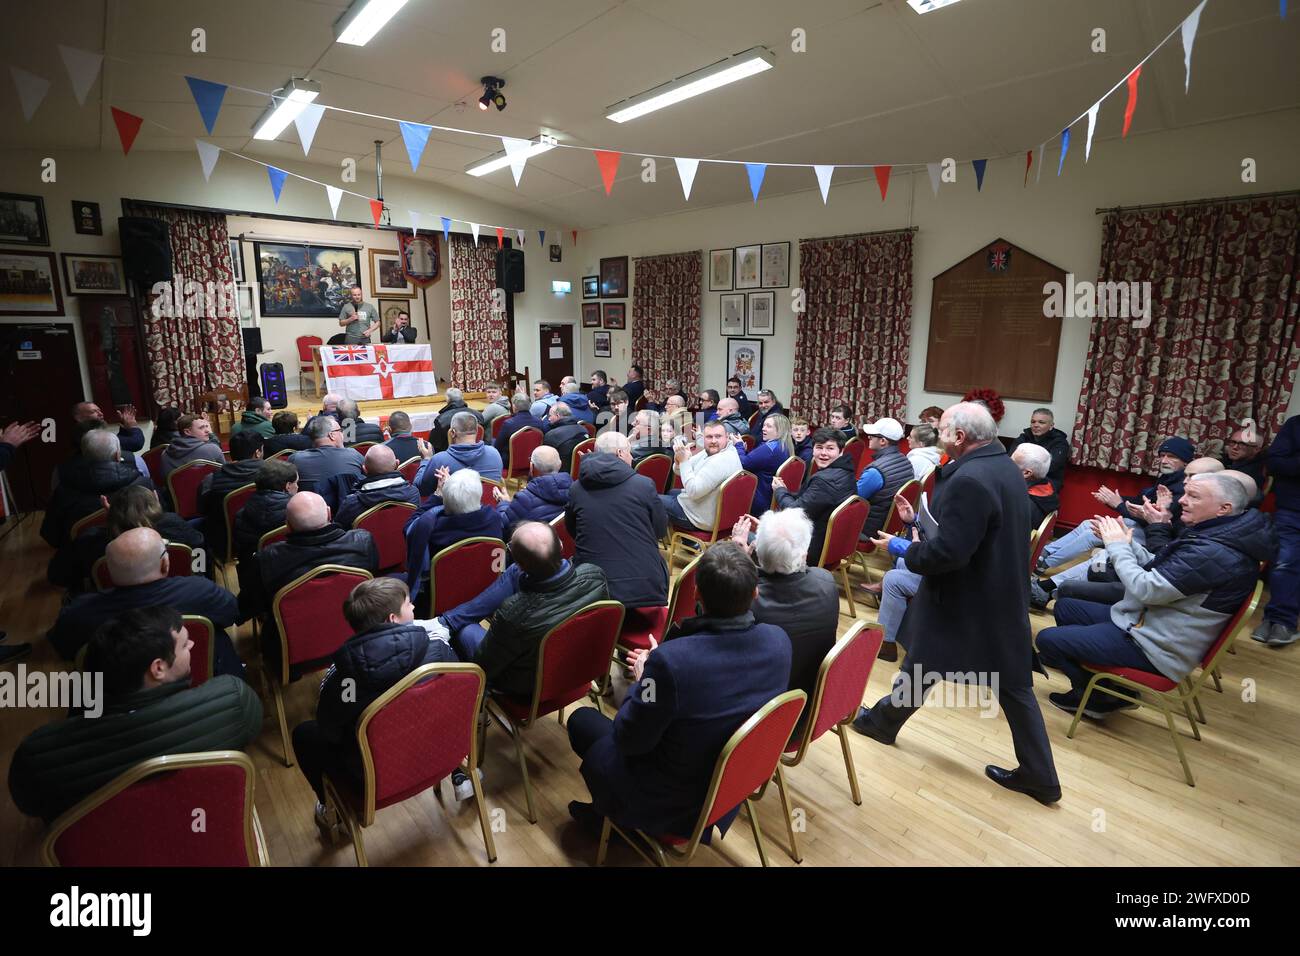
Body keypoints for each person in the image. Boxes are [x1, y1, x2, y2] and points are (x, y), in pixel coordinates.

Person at [849, 402, 1061, 804]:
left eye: (943, 428)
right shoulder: (1004, 465)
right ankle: (1041, 775)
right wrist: (922, 525)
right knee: (1010, 686)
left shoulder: (970, 479)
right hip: (1000, 592)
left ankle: (882, 722)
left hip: (967, 596)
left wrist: (899, 545)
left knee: (926, 664)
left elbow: (949, 554)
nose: (936, 431)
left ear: (959, 437)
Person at [566, 542, 791, 840]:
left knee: (582, 720)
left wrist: (645, 679)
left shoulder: (670, 664)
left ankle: (616, 818)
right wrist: (662, 668)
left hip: (672, 801)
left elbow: (629, 739)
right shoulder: (779, 641)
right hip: (730, 785)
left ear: (696, 594)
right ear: (755, 594)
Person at [1037, 474, 1274, 717]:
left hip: (1155, 646)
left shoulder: (1215, 552)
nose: (1181, 500)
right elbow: (1161, 567)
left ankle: (1099, 698)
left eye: (1193, 496)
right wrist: (1126, 543)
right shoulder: (1219, 534)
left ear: (1224, 508)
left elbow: (1145, 589)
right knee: (1067, 607)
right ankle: (1100, 680)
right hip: (1152, 623)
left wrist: (1118, 546)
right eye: (1185, 493)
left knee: (1047, 639)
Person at [8, 606, 262, 824]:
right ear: (158, 668)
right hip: (201, 827)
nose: (193, 644)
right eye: (185, 644)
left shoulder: (35, 760)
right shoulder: (233, 700)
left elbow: (30, 805)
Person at [293, 578, 459, 831]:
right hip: (440, 752)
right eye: (408, 604)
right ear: (393, 618)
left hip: (375, 777)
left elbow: (331, 732)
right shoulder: (438, 652)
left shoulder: (343, 682)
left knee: (305, 735)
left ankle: (333, 814)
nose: (414, 607)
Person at [48, 528, 243, 674]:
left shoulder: (78, 613)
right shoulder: (201, 590)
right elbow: (233, 613)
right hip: (201, 691)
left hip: (117, 713)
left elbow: (63, 648)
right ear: (165, 564)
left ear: (108, 571)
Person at [452, 521, 609, 698]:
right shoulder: (596, 575)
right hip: (578, 670)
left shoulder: (513, 614)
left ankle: (477, 699)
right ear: (562, 545)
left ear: (519, 566)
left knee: (465, 630)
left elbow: (485, 665)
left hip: (528, 688)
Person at [1035, 436, 1194, 576]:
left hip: (1157, 540)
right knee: (1088, 525)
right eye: (1162, 456)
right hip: (1144, 529)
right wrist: (1119, 499)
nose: (1164, 460)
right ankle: (1044, 553)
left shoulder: (1182, 489)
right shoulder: (1167, 478)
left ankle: (1042, 565)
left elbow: (1153, 520)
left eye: (1171, 457)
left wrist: (1118, 504)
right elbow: (1140, 503)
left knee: (1094, 533)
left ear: (1186, 461)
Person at [240, 492, 379, 649]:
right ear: (329, 513)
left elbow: (253, 604)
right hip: (357, 634)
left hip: (293, 648)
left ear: (288, 526)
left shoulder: (267, 559)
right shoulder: (363, 541)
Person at [731, 509, 838, 712]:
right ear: (805, 555)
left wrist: (738, 559)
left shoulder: (745, 602)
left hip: (756, 713)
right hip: (810, 705)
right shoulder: (827, 582)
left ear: (757, 551)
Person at [567, 431, 669, 610]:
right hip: (646, 587)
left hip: (593, 590)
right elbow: (660, 531)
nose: (632, 457)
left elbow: (572, 531)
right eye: (630, 452)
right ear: (621, 453)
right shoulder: (644, 485)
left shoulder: (576, 488)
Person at [403, 468, 505, 608]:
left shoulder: (431, 528)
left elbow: (409, 528)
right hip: (484, 594)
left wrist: (439, 494)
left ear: (445, 499)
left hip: (436, 601)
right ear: (480, 495)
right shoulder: (494, 520)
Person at [41, 428, 154, 549]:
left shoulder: (63, 491)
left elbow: (51, 536)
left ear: (84, 455)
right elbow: (158, 520)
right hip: (139, 551)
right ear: (118, 455)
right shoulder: (143, 484)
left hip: (84, 558)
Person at [772, 427, 856, 564]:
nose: (823, 453)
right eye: (819, 447)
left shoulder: (824, 480)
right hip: (833, 544)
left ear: (841, 451)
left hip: (810, 547)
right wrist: (786, 492)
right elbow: (811, 500)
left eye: (830, 448)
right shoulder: (847, 471)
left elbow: (795, 512)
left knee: (751, 538)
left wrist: (779, 491)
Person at [1256, 414, 1300, 646]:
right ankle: (1279, 621)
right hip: (1292, 509)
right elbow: (1274, 463)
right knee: (1285, 564)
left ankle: (1281, 619)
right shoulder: (1296, 424)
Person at [661, 420, 742, 533]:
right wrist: (680, 461)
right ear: (702, 438)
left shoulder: (720, 460)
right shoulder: (717, 451)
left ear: (727, 437)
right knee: (671, 492)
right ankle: (688, 541)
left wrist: (684, 461)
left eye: (718, 436)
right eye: (709, 437)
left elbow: (694, 491)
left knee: (651, 499)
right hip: (709, 507)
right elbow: (681, 471)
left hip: (702, 519)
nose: (713, 441)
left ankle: (650, 540)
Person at [233, 458, 297, 593]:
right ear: (287, 486)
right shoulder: (298, 515)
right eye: (296, 483)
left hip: (257, 583)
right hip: (294, 576)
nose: (298, 487)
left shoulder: (240, 515)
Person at [199, 429, 265, 559]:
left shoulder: (211, 479)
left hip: (224, 542)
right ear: (258, 453)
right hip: (265, 540)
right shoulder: (278, 475)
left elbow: (202, 509)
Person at [854, 417, 915, 541]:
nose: (868, 437)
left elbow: (853, 498)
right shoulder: (905, 461)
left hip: (868, 528)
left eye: (872, 435)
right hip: (891, 526)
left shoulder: (876, 471)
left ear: (882, 441)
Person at [415, 411, 503, 497]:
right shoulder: (494, 453)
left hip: (452, 510)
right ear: (477, 430)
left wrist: (426, 459)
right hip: (488, 509)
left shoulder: (439, 460)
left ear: (452, 433)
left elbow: (420, 489)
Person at [335, 444, 421, 528]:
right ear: (397, 464)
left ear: (364, 469)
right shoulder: (413, 494)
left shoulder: (351, 503)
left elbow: (340, 528)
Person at [290, 415, 365, 502]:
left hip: (312, 512)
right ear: (331, 435)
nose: (342, 434)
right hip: (353, 512)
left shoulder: (296, 459)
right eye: (340, 431)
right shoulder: (353, 454)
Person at [494, 445, 571, 529]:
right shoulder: (575, 489)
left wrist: (504, 503)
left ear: (532, 467)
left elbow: (502, 527)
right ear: (560, 464)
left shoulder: (524, 499)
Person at [731, 413, 794, 514]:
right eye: (764, 425)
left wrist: (738, 445)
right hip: (770, 498)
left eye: (768, 426)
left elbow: (744, 464)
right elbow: (757, 462)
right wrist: (744, 451)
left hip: (757, 500)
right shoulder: (784, 446)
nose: (763, 429)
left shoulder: (769, 449)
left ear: (779, 430)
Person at [1009, 408, 1071, 492]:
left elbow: (1050, 467)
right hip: (1020, 475)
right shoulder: (1024, 437)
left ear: (1051, 426)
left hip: (1047, 479)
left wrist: (1025, 472)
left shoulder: (1060, 442)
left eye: (1041, 422)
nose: (1036, 425)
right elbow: (1011, 458)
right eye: (1033, 422)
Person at [159, 414, 224, 477]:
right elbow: (225, 472)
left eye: (206, 426)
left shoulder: (165, 454)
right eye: (201, 428)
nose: (207, 431)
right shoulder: (212, 449)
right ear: (187, 432)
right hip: (210, 488)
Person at [1012, 443, 1060, 525]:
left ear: (1026, 473)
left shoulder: (1020, 505)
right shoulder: (1047, 488)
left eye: (1012, 462)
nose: (1006, 464)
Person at [73, 400, 144, 453]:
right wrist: (133, 427)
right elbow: (135, 443)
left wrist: (124, 426)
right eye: (94, 412)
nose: (101, 414)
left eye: (99, 411)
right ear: (79, 418)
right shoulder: (87, 437)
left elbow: (117, 443)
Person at [494, 394, 545, 459]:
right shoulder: (539, 422)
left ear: (514, 406)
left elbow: (498, 446)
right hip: (534, 459)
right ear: (530, 406)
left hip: (511, 461)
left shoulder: (509, 424)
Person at [431, 388, 482, 452]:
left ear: (447, 399)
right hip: (477, 451)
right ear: (462, 398)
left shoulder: (441, 420)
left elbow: (436, 445)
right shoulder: (479, 415)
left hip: (450, 455)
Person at [543, 403, 589, 471]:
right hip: (583, 471)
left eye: (550, 416)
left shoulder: (551, 435)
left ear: (557, 415)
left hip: (560, 475)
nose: (549, 419)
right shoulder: (584, 430)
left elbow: (546, 462)